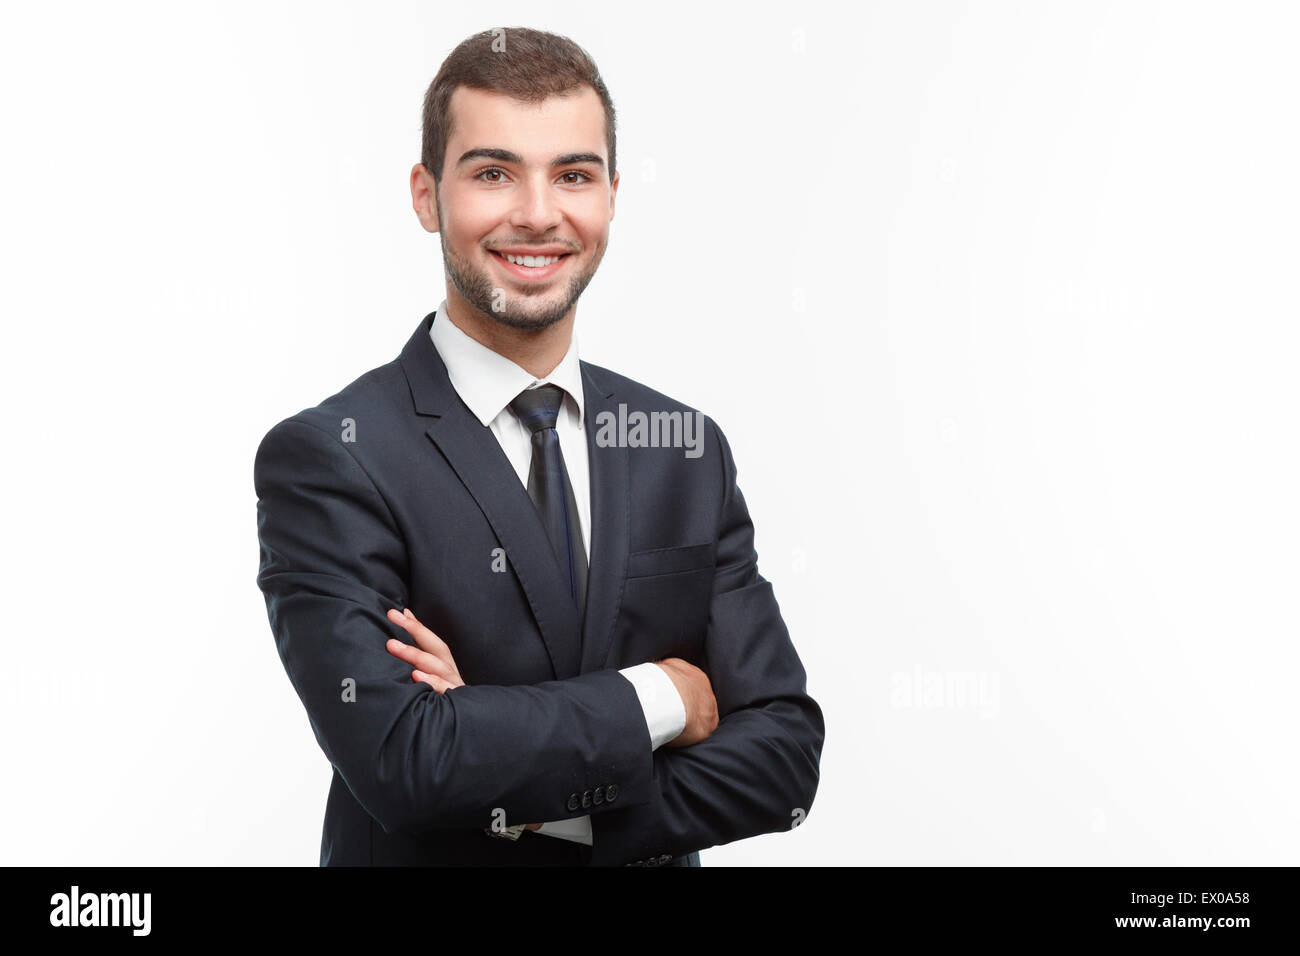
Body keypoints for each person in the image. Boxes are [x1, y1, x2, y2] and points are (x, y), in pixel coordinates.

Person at [253, 26, 824, 866]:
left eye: (573, 175)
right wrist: (665, 693)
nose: (538, 213)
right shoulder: (333, 458)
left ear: (612, 196)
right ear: (425, 194)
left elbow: (783, 759)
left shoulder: (682, 449)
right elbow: (408, 762)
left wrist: (523, 786)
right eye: (493, 173)